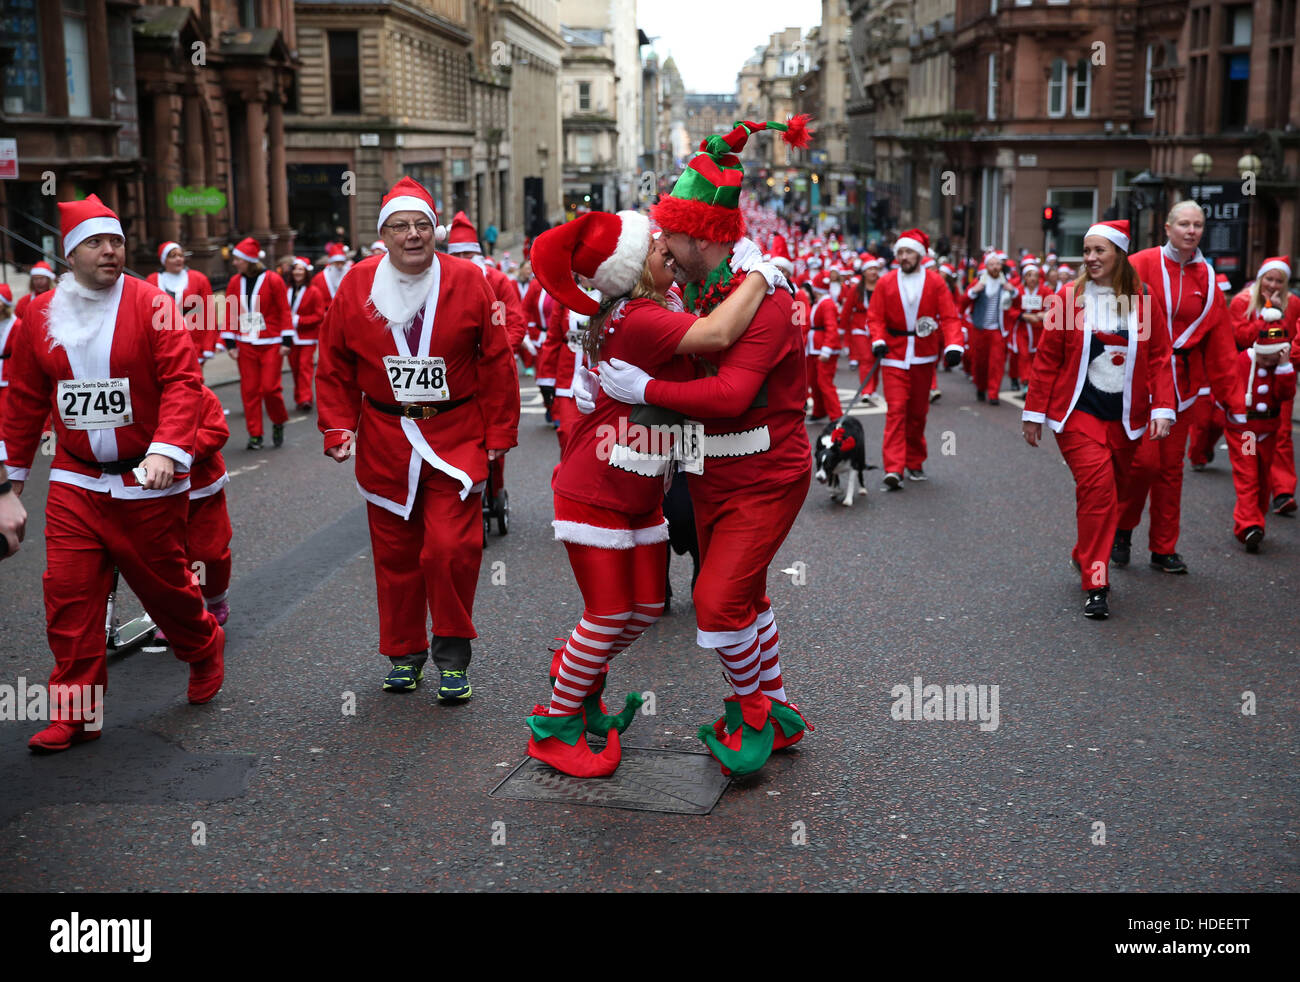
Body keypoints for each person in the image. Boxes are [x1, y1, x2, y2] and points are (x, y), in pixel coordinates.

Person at [598, 116, 816, 778]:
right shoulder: (693, 287)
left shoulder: (767, 299)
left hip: (767, 474)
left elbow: (729, 393)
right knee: (746, 600)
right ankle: (776, 704)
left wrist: (646, 384)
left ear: (699, 238)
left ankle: (754, 711)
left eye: (669, 232)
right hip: (711, 470)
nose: (659, 239)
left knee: (720, 604)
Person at [524, 210, 779, 776]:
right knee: (609, 612)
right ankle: (556, 723)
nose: (667, 246)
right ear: (628, 268)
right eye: (654, 243)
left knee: (642, 610)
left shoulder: (655, 307)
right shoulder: (637, 317)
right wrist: (763, 273)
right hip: (597, 489)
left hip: (640, 483)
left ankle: (575, 673)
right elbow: (717, 335)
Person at [3, 194, 224, 750]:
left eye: (117, 240)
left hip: (146, 481)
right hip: (76, 480)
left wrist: (166, 451)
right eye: (96, 242)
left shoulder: (151, 303)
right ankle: (76, 714)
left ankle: (202, 646)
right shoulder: (37, 313)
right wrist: (7, 487)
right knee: (69, 594)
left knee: (166, 589)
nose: (110, 251)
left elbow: (182, 381)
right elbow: (25, 400)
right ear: (70, 254)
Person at [315, 177, 519, 702]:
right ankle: (404, 654)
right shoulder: (356, 285)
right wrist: (338, 426)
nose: (413, 235)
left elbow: (496, 360)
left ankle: (452, 654)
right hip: (385, 436)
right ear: (383, 234)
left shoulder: (469, 280)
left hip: (454, 434)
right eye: (401, 226)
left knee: (450, 549)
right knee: (396, 555)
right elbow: (335, 364)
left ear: (437, 232)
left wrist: (498, 433)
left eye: (423, 225)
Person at [1021, 220, 1176, 620]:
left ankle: (1084, 552)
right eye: (1086, 251)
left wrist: (1162, 406)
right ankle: (1096, 583)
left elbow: (1159, 357)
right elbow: (1048, 360)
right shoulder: (1066, 299)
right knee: (1099, 490)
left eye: (1099, 251)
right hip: (1078, 415)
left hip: (1127, 418)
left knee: (1128, 482)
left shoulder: (1143, 299)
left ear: (1119, 255)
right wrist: (1034, 414)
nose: (1090, 258)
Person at [1115, 201, 1246, 573]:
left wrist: (1233, 399)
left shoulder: (1208, 275)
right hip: (1140, 381)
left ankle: (1163, 547)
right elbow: (1110, 310)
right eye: (1184, 224)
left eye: (1198, 225)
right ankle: (1123, 529)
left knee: (1171, 469)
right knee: (1143, 464)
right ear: (1168, 228)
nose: (1192, 231)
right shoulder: (1140, 263)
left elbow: (1220, 341)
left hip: (1184, 385)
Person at [867, 228, 964, 488]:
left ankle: (914, 461)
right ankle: (894, 468)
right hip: (894, 356)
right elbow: (875, 316)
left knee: (917, 414)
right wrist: (878, 340)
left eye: (909, 252)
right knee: (896, 412)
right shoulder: (886, 281)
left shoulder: (935, 282)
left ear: (920, 255)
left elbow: (950, 317)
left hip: (923, 356)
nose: (904, 256)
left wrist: (954, 345)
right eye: (900, 252)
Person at [1228, 256, 1299, 516]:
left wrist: (1288, 369)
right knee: (1248, 440)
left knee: (1281, 433)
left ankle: (1283, 492)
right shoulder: (1241, 301)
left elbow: (1294, 339)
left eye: (1279, 281)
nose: (1273, 284)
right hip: (1248, 376)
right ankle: (1253, 494)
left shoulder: (1295, 304)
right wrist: (1271, 316)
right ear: (1260, 279)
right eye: (1269, 279)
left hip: (1280, 375)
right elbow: (1241, 336)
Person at [1225, 322, 1295, 551]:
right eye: (1265, 359)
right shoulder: (1244, 361)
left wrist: (1284, 367)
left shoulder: (1281, 367)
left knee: (1264, 478)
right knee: (1248, 477)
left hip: (1269, 430)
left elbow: (1285, 395)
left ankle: (1256, 519)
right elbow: (1226, 388)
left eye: (1273, 360)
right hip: (1246, 431)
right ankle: (1248, 525)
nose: (1268, 364)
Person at [225, 238, 292, 450]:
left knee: (270, 389)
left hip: (271, 342)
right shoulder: (235, 281)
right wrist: (229, 343)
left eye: (238, 259)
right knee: (250, 390)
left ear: (249, 260)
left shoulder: (273, 279)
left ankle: (278, 420)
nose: (235, 263)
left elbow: (284, 310)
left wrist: (286, 339)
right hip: (245, 343)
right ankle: (255, 435)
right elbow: (231, 311)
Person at [147, 241, 217, 362]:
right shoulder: (152, 280)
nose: (178, 259)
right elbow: (146, 314)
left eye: (180, 255)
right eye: (173, 256)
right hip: (163, 341)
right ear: (164, 260)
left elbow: (208, 313)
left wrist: (208, 346)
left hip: (194, 340)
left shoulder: (199, 279)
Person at [965, 251, 1015, 405]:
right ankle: (981, 387)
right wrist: (975, 290)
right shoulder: (980, 281)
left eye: (998, 264)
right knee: (980, 362)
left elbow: (1016, 296)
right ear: (986, 266)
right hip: (980, 329)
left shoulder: (1004, 282)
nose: (995, 267)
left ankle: (993, 393)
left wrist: (1011, 290)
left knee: (997, 362)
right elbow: (966, 298)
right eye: (992, 264)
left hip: (997, 329)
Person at [286, 256, 326, 411]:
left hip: (307, 337)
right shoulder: (286, 290)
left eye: (300, 269)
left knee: (304, 367)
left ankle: (305, 398)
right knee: (295, 368)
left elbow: (318, 315)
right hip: (290, 337)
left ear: (306, 272)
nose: (297, 272)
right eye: (295, 269)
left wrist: (298, 320)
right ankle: (299, 396)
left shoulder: (314, 291)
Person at [1009, 257, 1052, 397]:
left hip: (1039, 330)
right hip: (1022, 329)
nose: (1032, 279)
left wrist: (1044, 314)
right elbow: (1010, 310)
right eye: (1029, 275)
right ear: (1024, 277)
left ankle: (1035, 382)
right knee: (1023, 355)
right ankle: (1026, 383)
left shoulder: (1045, 291)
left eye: (1035, 276)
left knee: (1037, 355)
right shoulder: (1018, 291)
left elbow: (1054, 306)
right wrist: (1025, 316)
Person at [807, 271, 844, 420]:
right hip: (816, 348)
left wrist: (826, 350)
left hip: (823, 349)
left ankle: (837, 417)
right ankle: (819, 411)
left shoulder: (826, 304)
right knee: (815, 383)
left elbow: (831, 328)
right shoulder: (820, 302)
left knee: (825, 384)